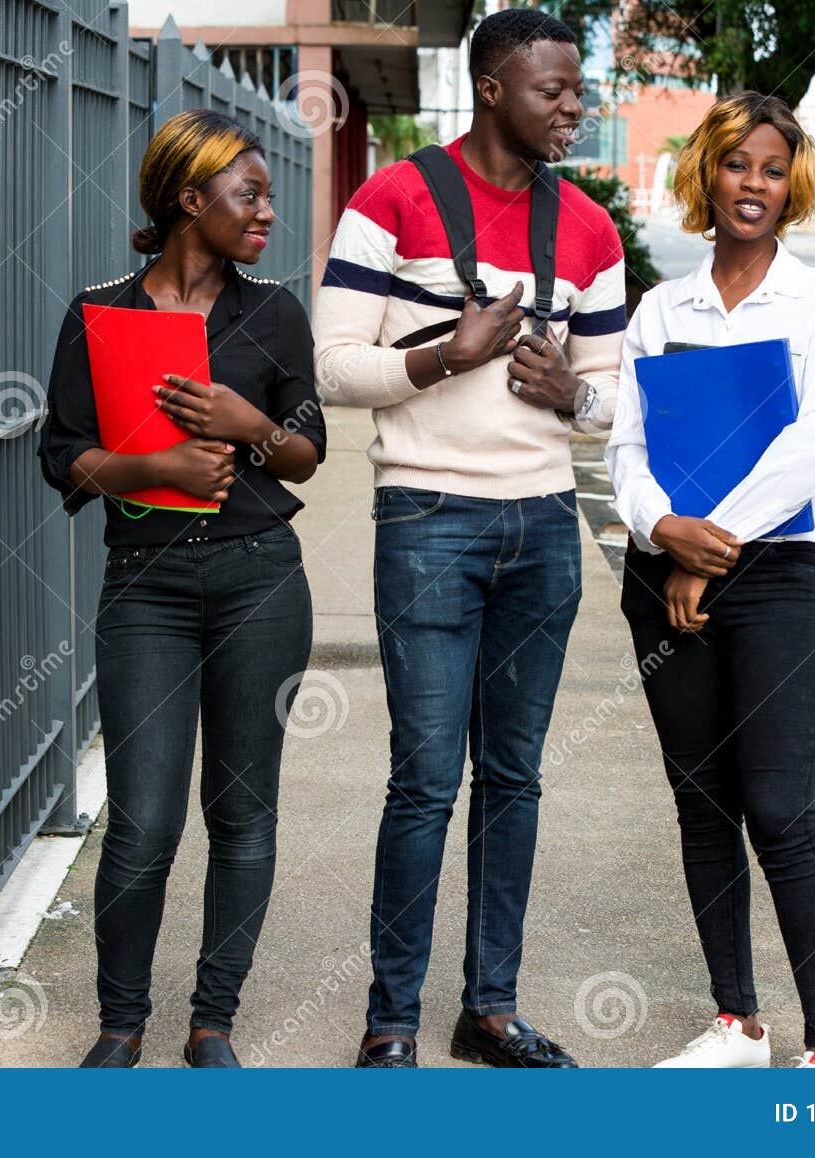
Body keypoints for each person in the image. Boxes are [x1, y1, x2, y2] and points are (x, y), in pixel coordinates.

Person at [312, 8, 626, 1068]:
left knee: (515, 778)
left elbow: (616, 402)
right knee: (424, 781)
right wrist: (445, 354)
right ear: (492, 88)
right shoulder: (391, 198)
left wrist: (572, 393)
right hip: (427, 519)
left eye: (578, 90)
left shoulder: (589, 229)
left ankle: (489, 1008)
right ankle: (390, 1022)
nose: (573, 108)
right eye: (553, 90)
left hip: (543, 525)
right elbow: (331, 367)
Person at [38, 109, 326, 1069]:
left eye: (269, 196)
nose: (267, 213)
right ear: (190, 199)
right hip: (145, 587)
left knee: (241, 813)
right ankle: (120, 1023)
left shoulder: (274, 312)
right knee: (143, 820)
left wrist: (251, 426)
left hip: (259, 583)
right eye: (250, 195)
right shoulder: (100, 312)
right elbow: (63, 453)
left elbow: (307, 452)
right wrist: (152, 468)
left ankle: (213, 1023)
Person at [605, 92, 815, 1069]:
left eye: (772, 169)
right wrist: (662, 532)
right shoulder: (660, 310)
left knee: (780, 810)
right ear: (704, 174)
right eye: (736, 164)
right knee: (703, 804)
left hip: (776, 572)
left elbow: (812, 445)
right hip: (662, 575)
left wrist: (706, 547)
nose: (753, 183)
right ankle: (736, 1025)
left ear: (792, 185)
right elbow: (628, 445)